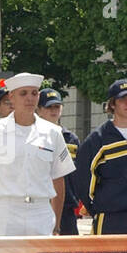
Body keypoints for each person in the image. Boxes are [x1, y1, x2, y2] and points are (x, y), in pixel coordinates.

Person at [0, 72, 76, 237]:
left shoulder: (53, 133)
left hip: (41, 212)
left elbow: (59, 180)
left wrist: (56, 226)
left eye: (34, 93)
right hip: (6, 213)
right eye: (23, 93)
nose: (29, 98)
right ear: (11, 97)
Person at [73, 79, 127, 234]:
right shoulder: (98, 139)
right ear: (112, 104)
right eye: (122, 99)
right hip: (110, 218)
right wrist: (97, 207)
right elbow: (82, 178)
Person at [37, 88, 82, 236]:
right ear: (38, 109)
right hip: (40, 206)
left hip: (67, 208)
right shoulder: (33, 137)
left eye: (57, 106)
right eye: (49, 107)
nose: (53, 111)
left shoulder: (71, 139)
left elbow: (78, 172)